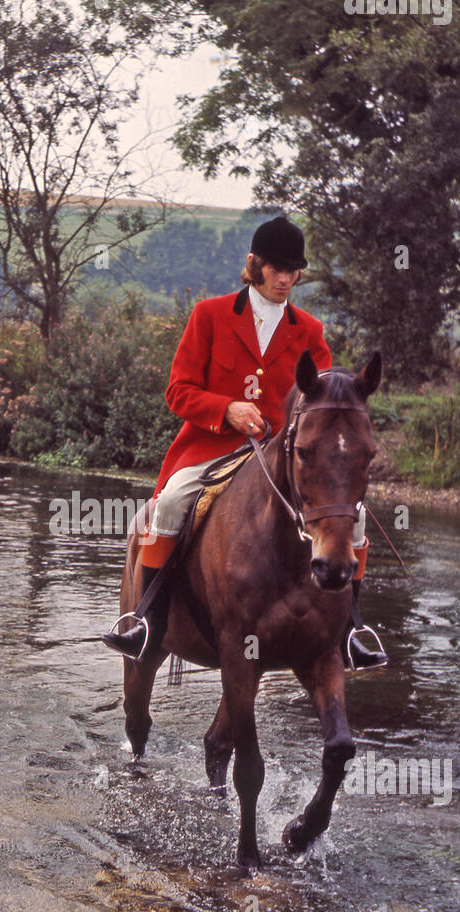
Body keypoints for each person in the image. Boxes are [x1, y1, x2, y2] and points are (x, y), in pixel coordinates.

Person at [102, 215, 386, 670]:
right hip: (211, 448)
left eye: (294, 270)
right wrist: (226, 409)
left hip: (282, 457)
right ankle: (147, 623)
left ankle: (350, 630)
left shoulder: (310, 331)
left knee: (354, 519)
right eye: (276, 268)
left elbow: (325, 406)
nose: (285, 278)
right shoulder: (210, 315)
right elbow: (178, 391)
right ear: (254, 265)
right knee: (172, 502)